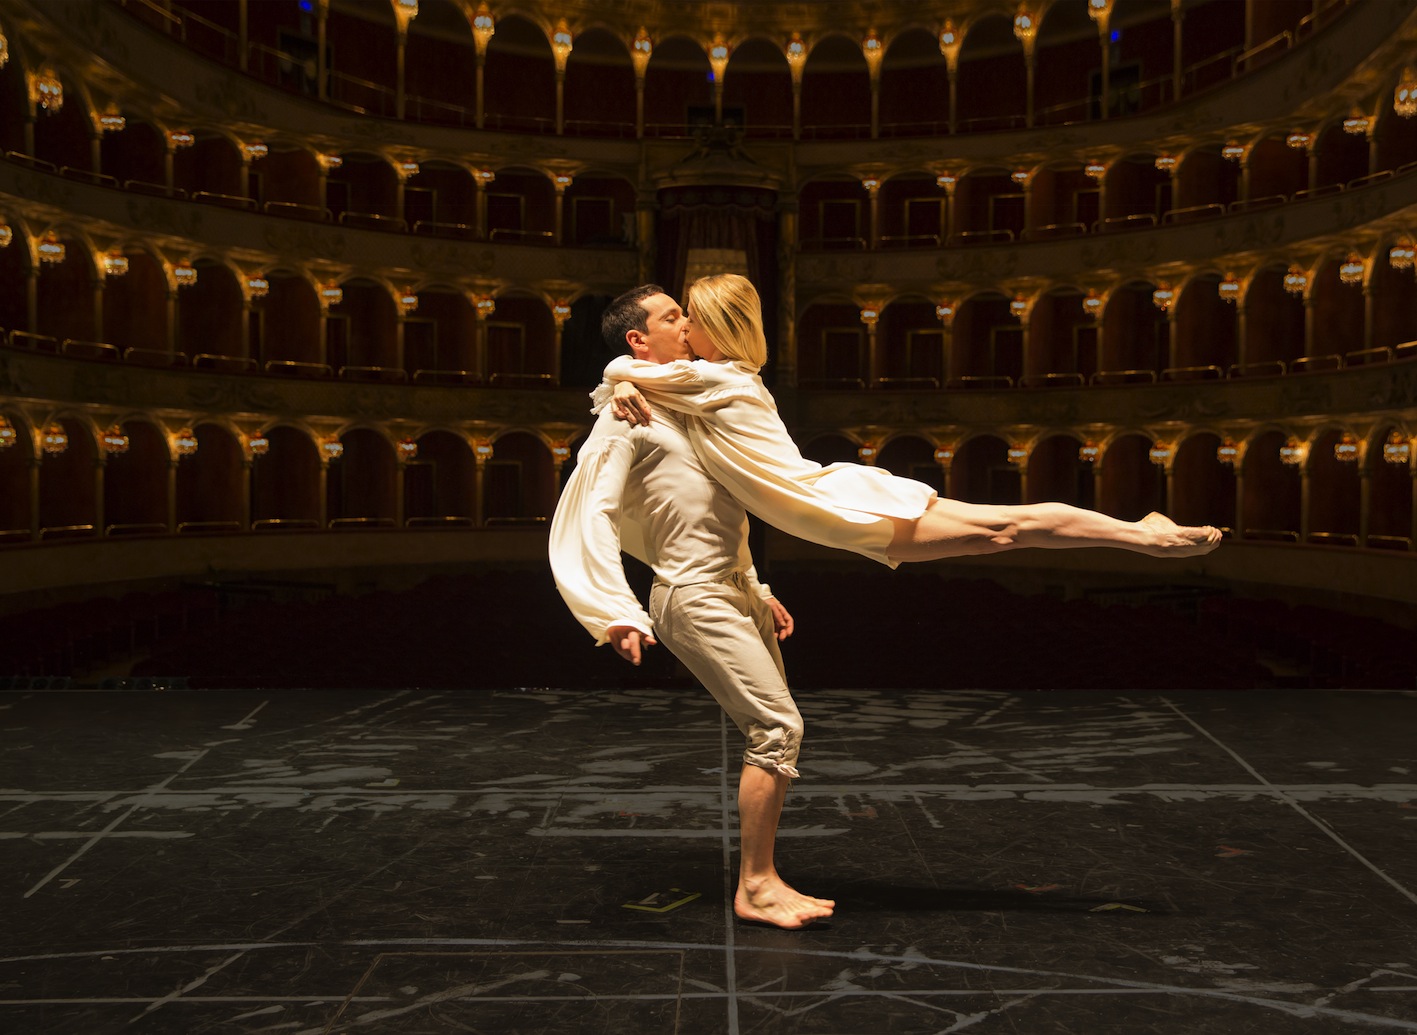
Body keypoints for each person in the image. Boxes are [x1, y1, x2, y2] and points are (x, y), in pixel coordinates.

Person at [600, 273, 1223, 569]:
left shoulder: (714, 380)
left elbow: (619, 368)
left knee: (1005, 530)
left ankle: (1146, 537)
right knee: (1004, 530)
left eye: (689, 318)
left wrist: (621, 376)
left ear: (716, 327)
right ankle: (1140, 533)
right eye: (676, 319)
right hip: (827, 503)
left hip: (835, 505)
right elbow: (625, 376)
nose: (683, 327)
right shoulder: (719, 377)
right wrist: (624, 381)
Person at [549, 284, 834, 931]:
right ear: (638, 339)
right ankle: (756, 886)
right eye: (673, 316)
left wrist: (757, 585)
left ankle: (763, 877)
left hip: (736, 587)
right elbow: (591, 509)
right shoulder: (623, 416)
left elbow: (712, 507)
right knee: (777, 728)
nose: (688, 323)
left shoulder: (684, 401)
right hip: (692, 593)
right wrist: (613, 608)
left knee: (777, 733)